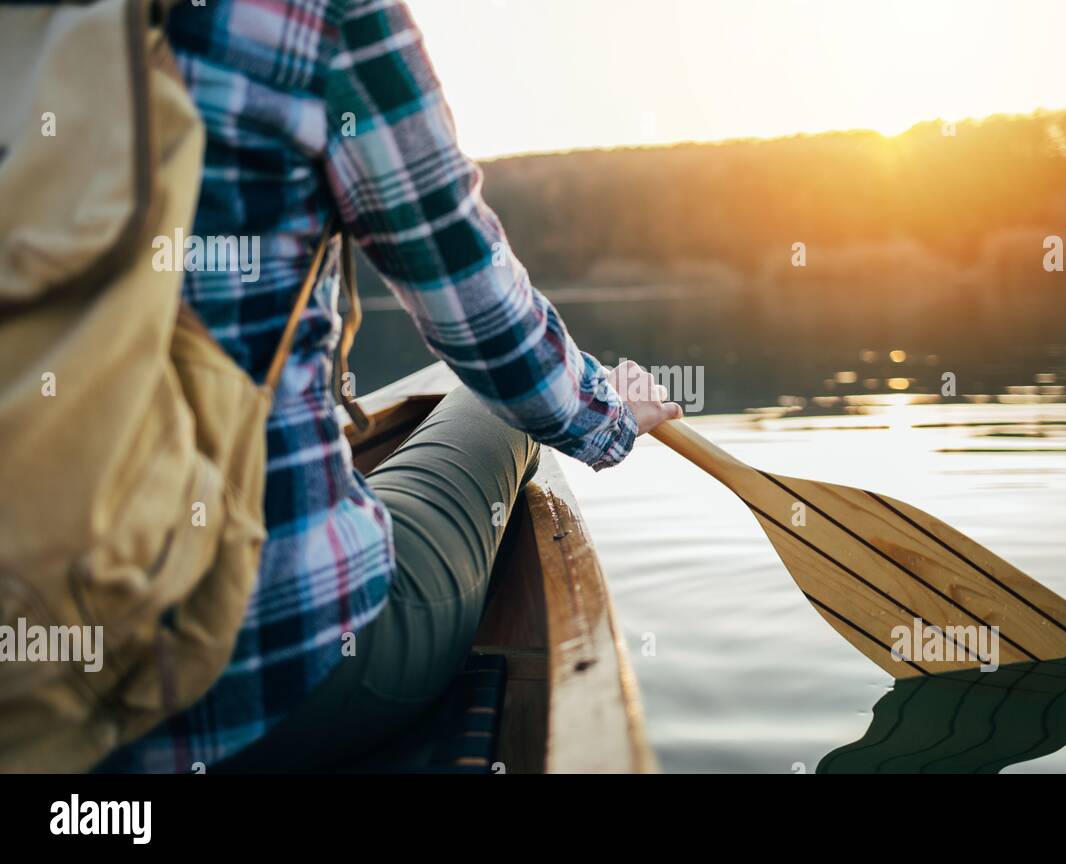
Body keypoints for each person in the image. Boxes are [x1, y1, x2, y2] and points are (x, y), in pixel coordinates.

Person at [98, 0, 681, 772]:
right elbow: (486, 327)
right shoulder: (316, 14)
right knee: (491, 403)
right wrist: (608, 411)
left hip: (36, 688)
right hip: (266, 676)